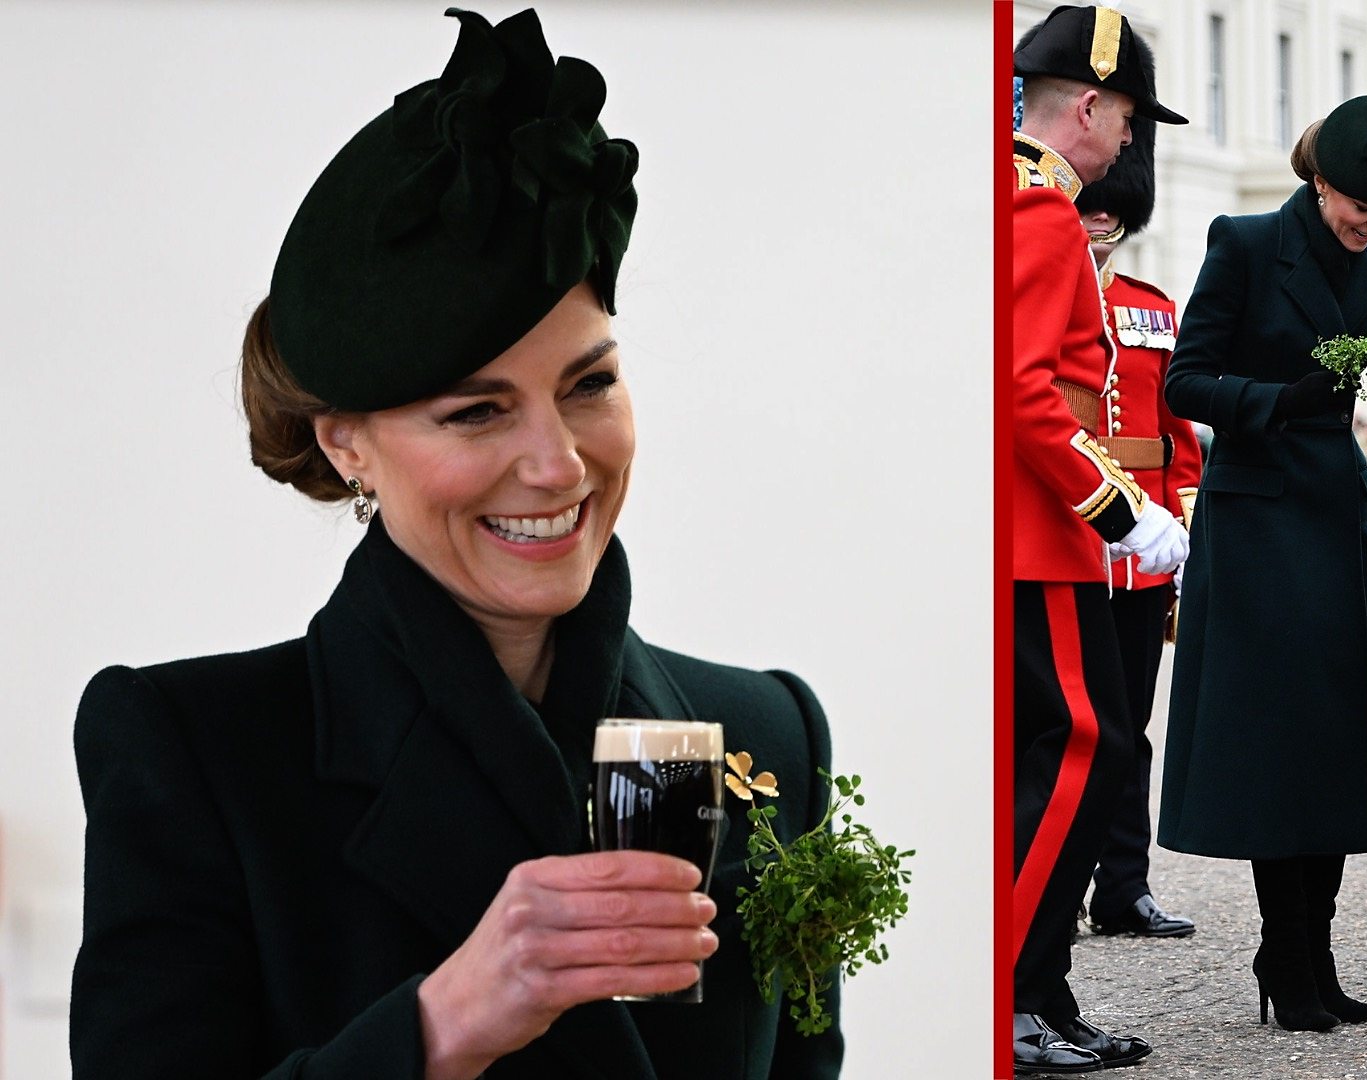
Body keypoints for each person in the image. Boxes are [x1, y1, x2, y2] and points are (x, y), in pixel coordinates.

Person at [69, 11, 840, 1078]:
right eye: (477, 412)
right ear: (345, 443)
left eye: (590, 384)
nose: (558, 465)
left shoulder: (766, 732)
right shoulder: (200, 754)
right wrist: (442, 1023)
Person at [1157, 93, 1367, 1032]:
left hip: (1332, 512)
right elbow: (1185, 380)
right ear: (1320, 182)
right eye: (1364, 206)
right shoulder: (1242, 243)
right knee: (1275, 742)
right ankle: (1285, 953)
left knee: (1332, 738)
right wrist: (1279, 399)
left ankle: (1313, 951)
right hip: (1254, 519)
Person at [1007, 5, 1188, 1073]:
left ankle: (1045, 987)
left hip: (1042, 533)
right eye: (1126, 118)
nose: (1129, 140)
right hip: (1043, 538)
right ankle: (1015, 995)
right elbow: (1030, 396)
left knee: (1075, 753)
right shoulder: (1038, 208)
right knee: (1083, 747)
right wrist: (1121, 513)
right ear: (1087, 105)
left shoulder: (1021, 195)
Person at [1069, 82, 1202, 942]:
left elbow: (1177, 437)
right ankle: (1056, 886)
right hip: (1073, 538)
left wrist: (1180, 531)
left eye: (1116, 202)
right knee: (1070, 728)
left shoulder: (1152, 307)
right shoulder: (1046, 291)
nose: (1103, 214)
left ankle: (1124, 887)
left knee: (1130, 728)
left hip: (1141, 551)